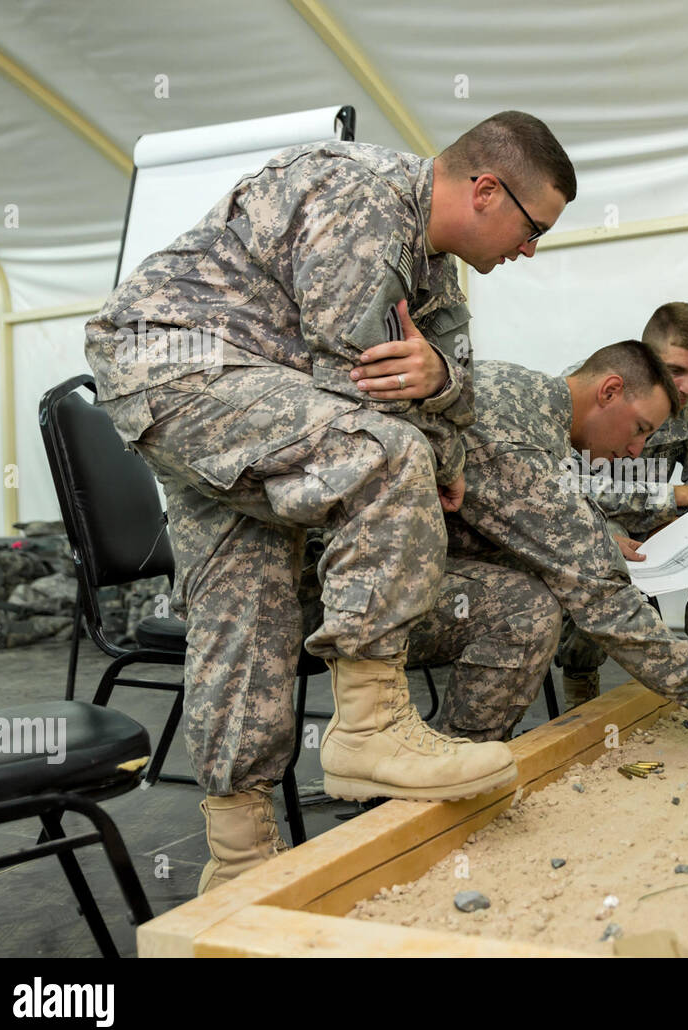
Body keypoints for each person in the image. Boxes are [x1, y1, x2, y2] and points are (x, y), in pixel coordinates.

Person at [83, 111, 575, 893]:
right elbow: (366, 391)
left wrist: (442, 391)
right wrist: (432, 428)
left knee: (245, 599)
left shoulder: (435, 275)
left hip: (257, 387)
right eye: (532, 226)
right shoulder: (366, 195)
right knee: (381, 453)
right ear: (487, 190)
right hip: (177, 359)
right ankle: (372, 724)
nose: (529, 248)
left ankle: (240, 865)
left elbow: (457, 400)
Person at [351, 341, 688, 748]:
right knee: (528, 609)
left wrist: (600, 537)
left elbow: (512, 514)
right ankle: (454, 767)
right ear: (609, 391)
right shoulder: (519, 443)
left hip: (388, 568)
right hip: (359, 596)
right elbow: (604, 600)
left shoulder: (524, 390)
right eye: (640, 429)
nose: (637, 451)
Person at [556, 302, 688, 706]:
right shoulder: (590, 388)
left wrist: (685, 514)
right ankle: (580, 675)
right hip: (596, 518)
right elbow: (566, 492)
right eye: (676, 371)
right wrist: (671, 499)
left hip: (657, 515)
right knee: (598, 551)